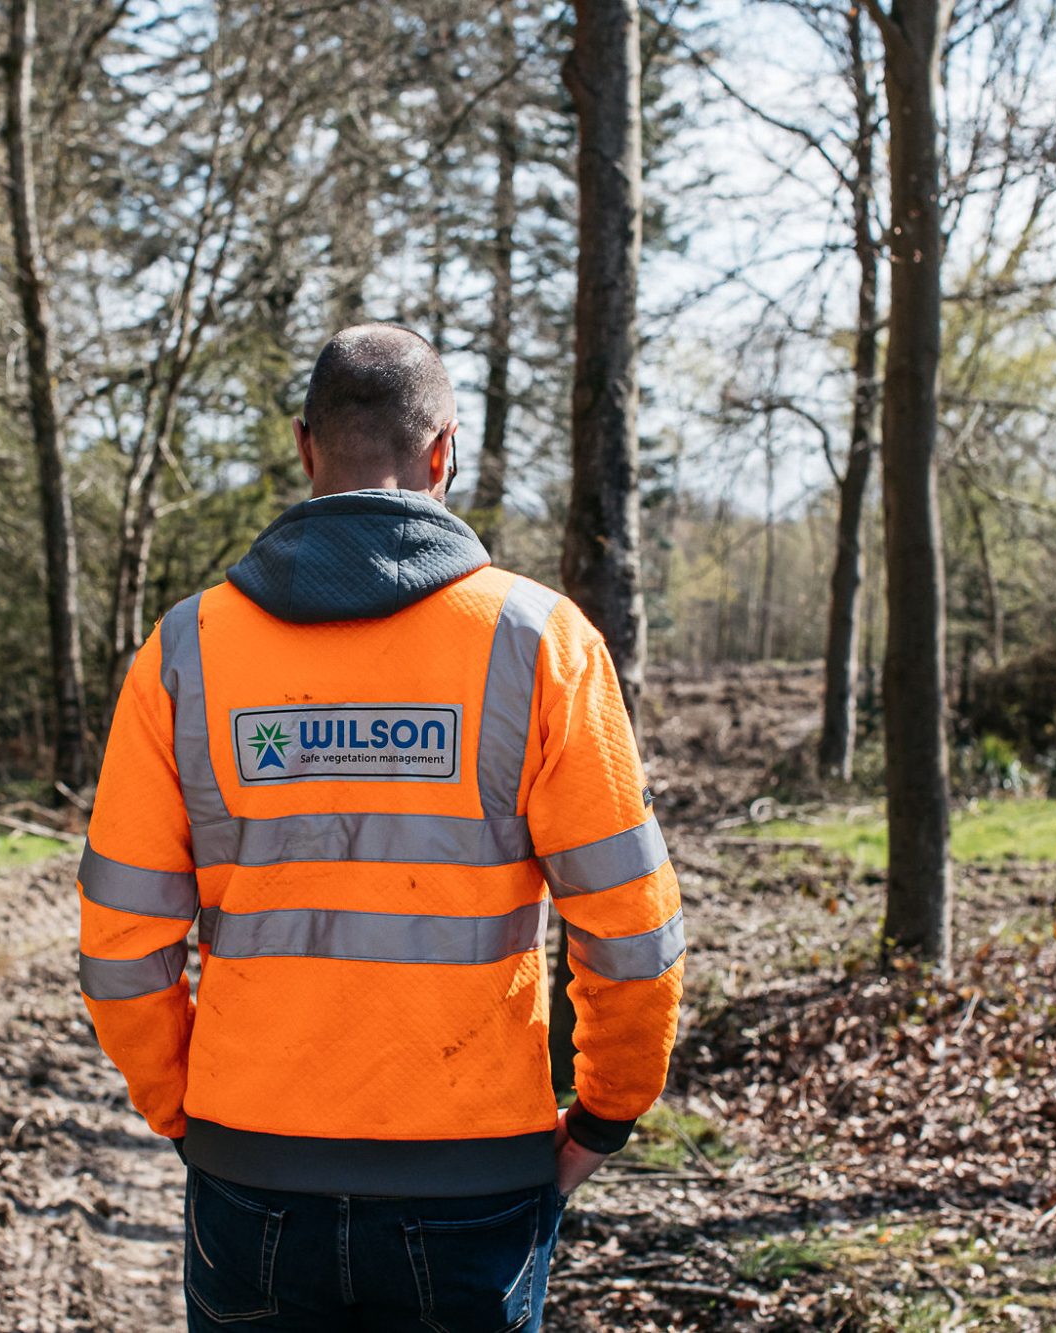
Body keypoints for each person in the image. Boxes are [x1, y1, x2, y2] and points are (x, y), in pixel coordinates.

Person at [77, 324, 683, 1331]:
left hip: (251, 1177)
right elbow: (629, 928)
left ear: (304, 446)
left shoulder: (185, 650)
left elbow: (118, 938)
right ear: (443, 451)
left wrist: (180, 1107)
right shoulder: (540, 644)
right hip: (473, 1182)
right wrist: (605, 1112)